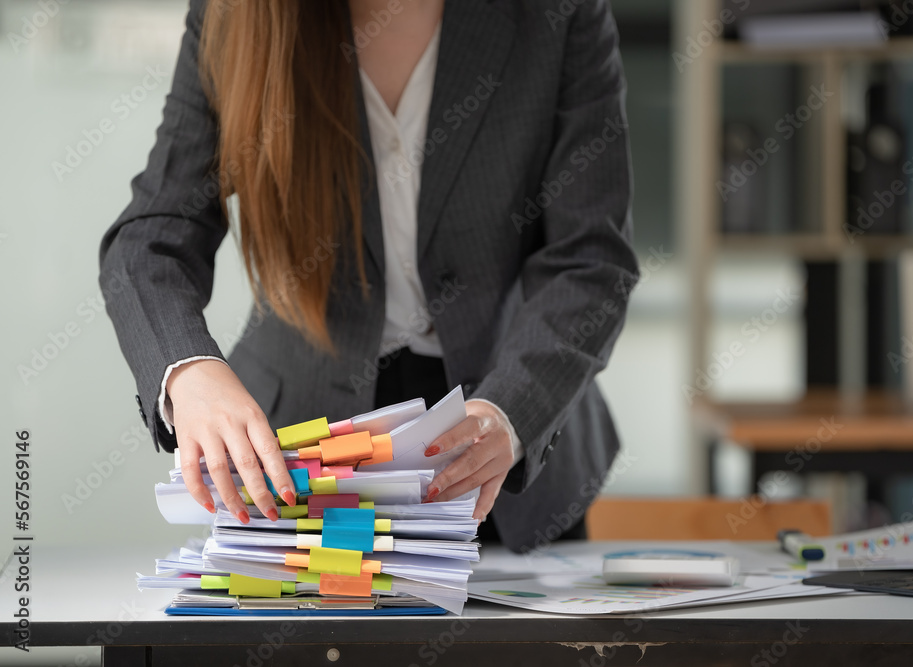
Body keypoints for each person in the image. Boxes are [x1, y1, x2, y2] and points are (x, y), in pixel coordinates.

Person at [99, 0, 638, 553]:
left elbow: (591, 258)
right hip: (303, 454)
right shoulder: (230, 14)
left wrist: (512, 411)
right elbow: (152, 236)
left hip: (509, 440)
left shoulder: (559, 14)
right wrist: (189, 372)